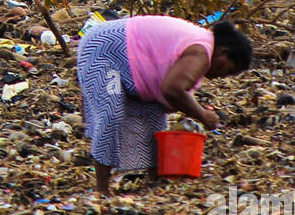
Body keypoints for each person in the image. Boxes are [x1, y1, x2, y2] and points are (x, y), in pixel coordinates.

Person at [76, 16, 252, 195]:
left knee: (155, 114)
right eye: (228, 70)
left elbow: (171, 92)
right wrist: (202, 115)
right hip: (103, 50)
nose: (223, 77)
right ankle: (102, 189)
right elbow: (172, 89)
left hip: (127, 57)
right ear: (223, 52)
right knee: (111, 113)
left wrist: (177, 104)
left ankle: (154, 180)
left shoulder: (201, 46)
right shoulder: (201, 52)